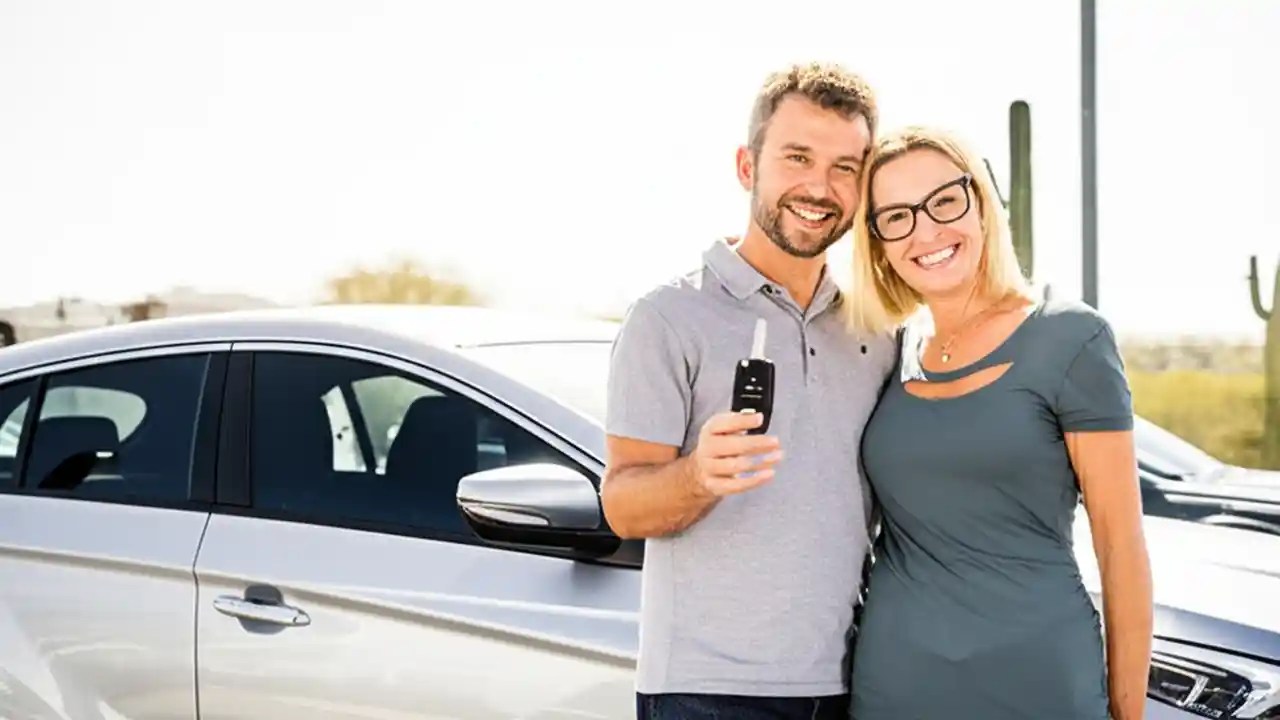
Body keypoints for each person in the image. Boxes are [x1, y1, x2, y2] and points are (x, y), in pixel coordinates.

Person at [601, 62, 896, 720]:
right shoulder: (667, 318)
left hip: (850, 685)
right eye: (798, 158)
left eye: (845, 168)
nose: (819, 187)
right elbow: (622, 506)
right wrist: (698, 476)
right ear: (747, 166)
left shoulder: (875, 331)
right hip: (708, 694)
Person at [842, 125, 1154, 720]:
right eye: (897, 217)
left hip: (1040, 682)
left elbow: (1121, 548)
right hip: (895, 686)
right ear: (877, 243)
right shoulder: (888, 352)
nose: (926, 232)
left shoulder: (1071, 336)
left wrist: (1127, 711)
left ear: (981, 203)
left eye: (944, 201)